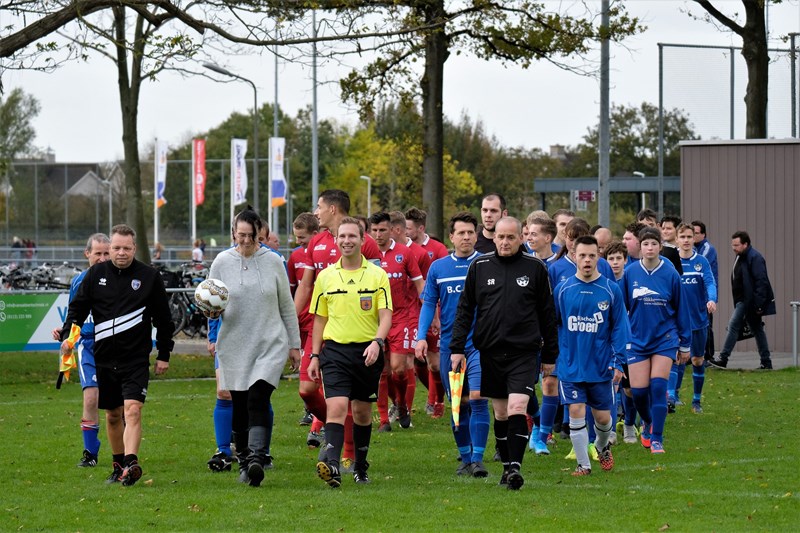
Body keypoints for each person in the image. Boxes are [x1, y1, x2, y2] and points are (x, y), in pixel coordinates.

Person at [59, 224, 174, 486]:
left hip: (135, 359)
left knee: (132, 410)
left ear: (135, 248)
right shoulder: (95, 275)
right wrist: (68, 335)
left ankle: (132, 462)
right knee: (113, 414)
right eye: (116, 248)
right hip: (104, 358)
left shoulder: (149, 277)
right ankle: (118, 463)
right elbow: (76, 310)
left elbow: (164, 320)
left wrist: (164, 354)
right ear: (109, 248)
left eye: (127, 248)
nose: (121, 253)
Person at [450, 217, 558, 490]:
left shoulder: (535, 268)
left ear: (521, 237)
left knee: (517, 408)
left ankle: (514, 468)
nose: (506, 242)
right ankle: (507, 466)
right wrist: (457, 348)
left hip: (524, 352)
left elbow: (548, 314)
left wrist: (550, 356)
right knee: (500, 414)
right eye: (501, 237)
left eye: (511, 237)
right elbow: (465, 309)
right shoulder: (480, 266)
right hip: (490, 351)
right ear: (493, 238)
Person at [208, 208, 301, 487]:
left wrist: (294, 344)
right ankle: (245, 459)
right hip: (234, 343)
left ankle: (258, 457)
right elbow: (212, 303)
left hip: (269, 341)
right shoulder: (221, 262)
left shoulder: (273, 262)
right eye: (241, 235)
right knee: (238, 403)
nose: (246, 241)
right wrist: (212, 322)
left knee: (258, 396)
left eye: (251, 236)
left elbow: (286, 304)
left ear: (261, 233)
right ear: (234, 233)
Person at [293, 189, 382, 472]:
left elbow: (378, 292)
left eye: (319, 207)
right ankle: (333, 438)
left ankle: (346, 452)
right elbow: (307, 285)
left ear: (332, 208)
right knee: (307, 390)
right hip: (320, 329)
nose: (316, 212)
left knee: (356, 407)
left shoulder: (366, 245)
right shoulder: (316, 242)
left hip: (358, 335)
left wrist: (378, 338)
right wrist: (290, 320)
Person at [308, 217, 392, 488]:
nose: (346, 241)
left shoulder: (377, 275)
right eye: (342, 236)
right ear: (336, 240)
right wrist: (314, 355)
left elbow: (386, 315)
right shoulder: (326, 276)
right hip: (334, 352)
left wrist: (377, 342)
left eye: (352, 236)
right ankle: (332, 464)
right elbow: (319, 320)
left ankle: (361, 466)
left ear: (362, 239)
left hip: (367, 352)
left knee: (361, 413)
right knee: (336, 406)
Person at [416, 212, 491, 478]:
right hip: (450, 346)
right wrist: (421, 336)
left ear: (476, 235)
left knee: (480, 398)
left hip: (481, 346)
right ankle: (466, 457)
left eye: (471, 232)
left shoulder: (486, 265)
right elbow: (428, 304)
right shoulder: (439, 268)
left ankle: (479, 459)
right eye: (461, 232)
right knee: (459, 403)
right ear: (452, 237)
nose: (467, 237)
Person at [553, 235, 629, 476]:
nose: (586, 260)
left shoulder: (610, 289)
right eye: (582, 255)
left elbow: (619, 328)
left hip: (601, 366)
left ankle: (601, 445)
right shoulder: (563, 289)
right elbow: (554, 324)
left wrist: (618, 361)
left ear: (599, 257)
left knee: (604, 419)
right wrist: (552, 355)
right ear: (573, 256)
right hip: (570, 364)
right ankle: (583, 465)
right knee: (575, 411)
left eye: (591, 256)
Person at [620, 226, 691, 454]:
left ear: (660, 246)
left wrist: (685, 343)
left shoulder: (670, 273)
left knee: (659, 388)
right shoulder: (630, 273)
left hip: (665, 338)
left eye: (653, 244)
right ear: (639, 247)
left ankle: (657, 438)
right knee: (639, 393)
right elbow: (621, 309)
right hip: (637, 340)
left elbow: (682, 310)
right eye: (645, 244)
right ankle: (649, 422)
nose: (649, 248)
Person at [51, 233, 111, 468]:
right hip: (88, 346)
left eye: (107, 253)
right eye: (98, 253)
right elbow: (75, 315)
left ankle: (125, 450)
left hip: (114, 347)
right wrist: (66, 335)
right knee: (91, 398)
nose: (103, 258)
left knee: (118, 403)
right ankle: (90, 452)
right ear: (88, 254)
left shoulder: (119, 280)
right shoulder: (79, 281)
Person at [370, 212, 424, 431]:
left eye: (382, 230)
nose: (378, 234)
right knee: (381, 370)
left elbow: (420, 284)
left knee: (398, 369)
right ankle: (383, 419)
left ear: (392, 230)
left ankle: (402, 404)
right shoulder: (365, 254)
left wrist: (432, 315)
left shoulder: (404, 253)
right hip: (374, 318)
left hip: (401, 317)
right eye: (374, 230)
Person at [406, 206, 449, 418]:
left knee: (434, 362)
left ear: (421, 228)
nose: (405, 232)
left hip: (431, 307)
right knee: (415, 360)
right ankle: (430, 398)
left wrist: (436, 314)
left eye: (409, 228)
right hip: (409, 309)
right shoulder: (403, 250)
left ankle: (438, 400)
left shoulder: (437, 249)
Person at [710, 231, 776, 370]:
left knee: (733, 326)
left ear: (745, 244)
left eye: (736, 245)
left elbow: (761, 282)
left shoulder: (754, 257)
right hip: (745, 300)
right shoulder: (741, 256)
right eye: (732, 245)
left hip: (748, 301)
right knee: (757, 330)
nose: (733, 247)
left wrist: (758, 305)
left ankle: (723, 358)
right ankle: (766, 362)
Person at [673, 224, 717, 414]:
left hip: (698, 320)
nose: (686, 240)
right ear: (677, 239)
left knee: (697, 360)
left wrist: (712, 300)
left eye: (689, 237)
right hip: (675, 321)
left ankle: (696, 401)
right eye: (682, 236)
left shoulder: (701, 262)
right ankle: (672, 397)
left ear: (694, 239)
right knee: (676, 359)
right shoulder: (670, 262)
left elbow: (709, 282)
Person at [288, 213, 322, 440]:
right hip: (301, 321)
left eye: (302, 236)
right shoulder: (295, 257)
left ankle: (319, 426)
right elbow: (295, 288)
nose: (299, 241)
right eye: (296, 237)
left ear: (315, 234)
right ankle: (313, 412)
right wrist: (289, 318)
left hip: (321, 323)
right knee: (306, 378)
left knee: (321, 376)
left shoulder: (326, 253)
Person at [692, 220, 719, 362]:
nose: (693, 237)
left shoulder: (707, 249)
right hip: (695, 295)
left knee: (706, 326)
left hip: (706, 296)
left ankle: (708, 356)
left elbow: (698, 264)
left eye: (696, 233)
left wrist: (712, 298)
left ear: (703, 234)